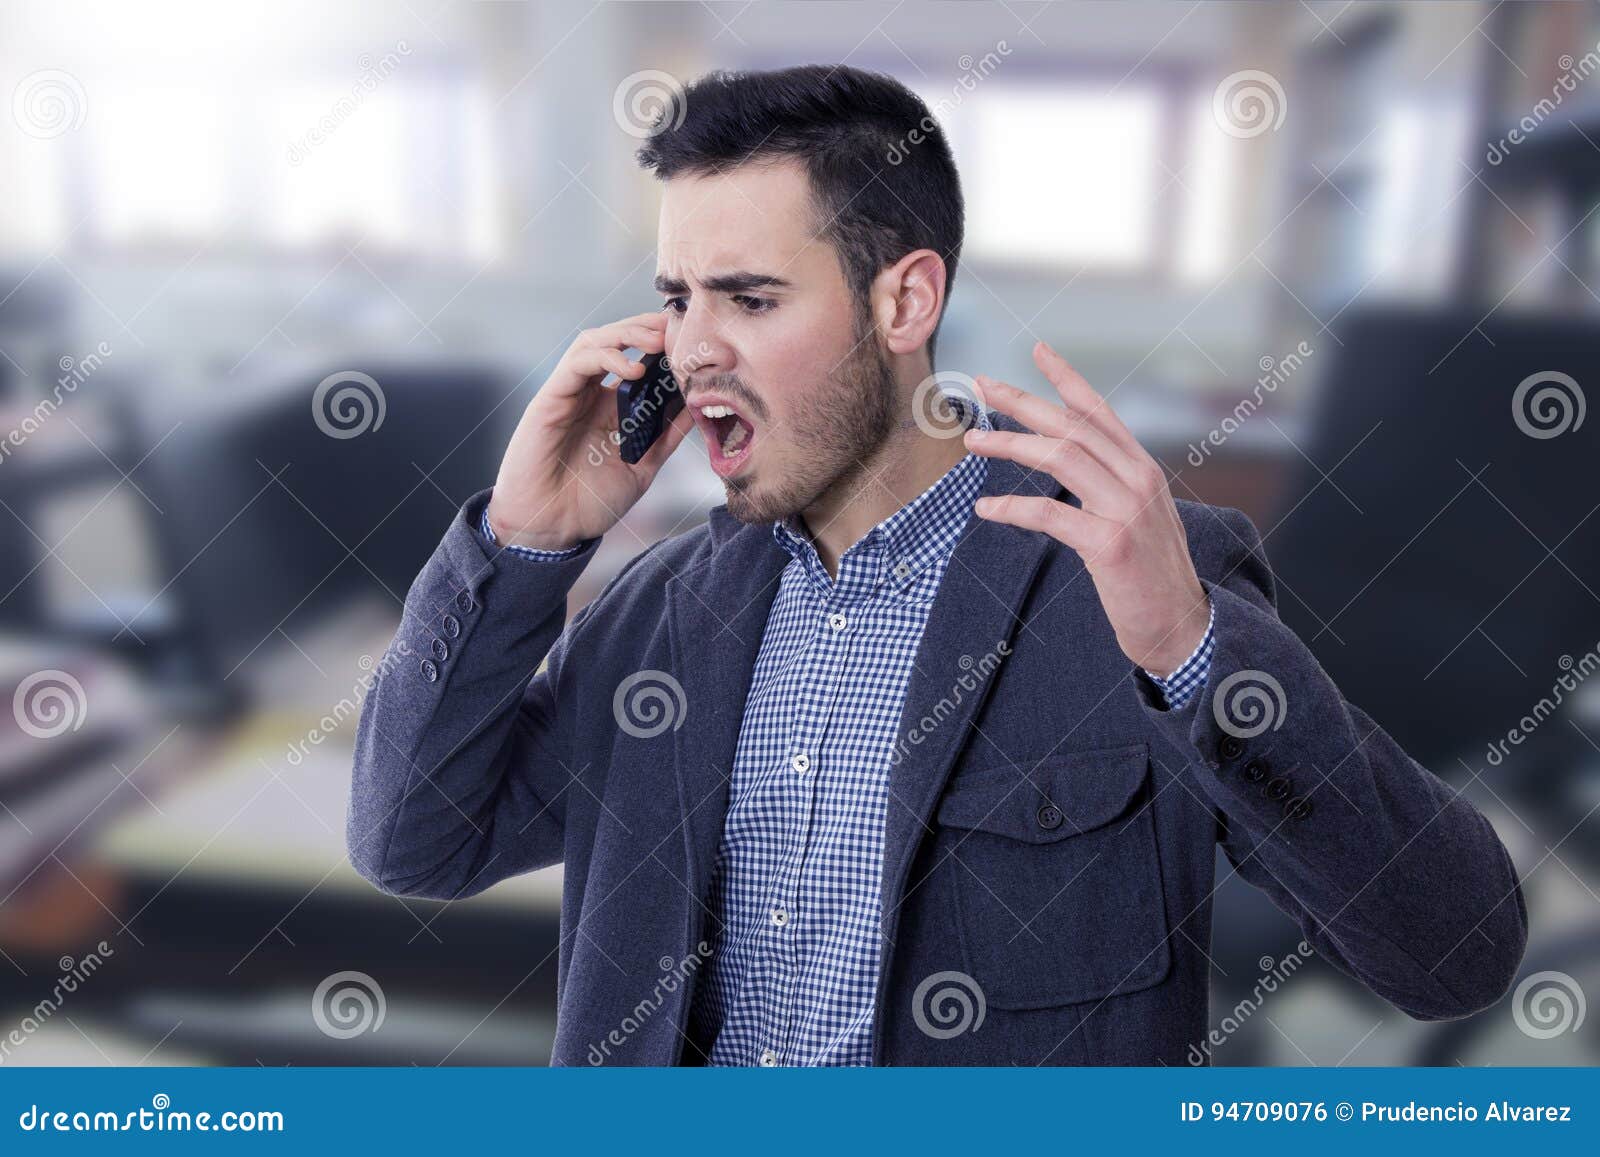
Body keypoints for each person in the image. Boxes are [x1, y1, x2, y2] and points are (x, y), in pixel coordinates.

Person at [346, 64, 1526, 1066]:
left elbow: (1450, 948)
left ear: (904, 299)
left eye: (750, 298)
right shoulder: (660, 610)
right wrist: (521, 542)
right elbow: (412, 842)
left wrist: (1191, 652)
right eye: (676, 298)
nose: (693, 348)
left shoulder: (1125, 586)